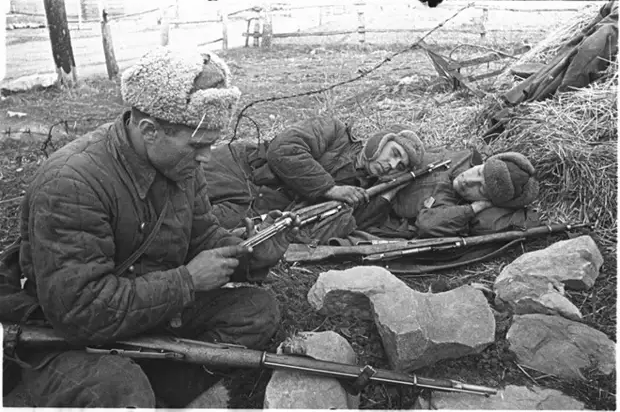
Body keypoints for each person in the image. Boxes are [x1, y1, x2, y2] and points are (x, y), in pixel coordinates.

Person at [5, 46, 299, 408]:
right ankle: (146, 387)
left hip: (151, 316)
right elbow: (78, 313)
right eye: (198, 145)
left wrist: (251, 253)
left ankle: (160, 385)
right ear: (149, 130)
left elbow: (203, 237)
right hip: (67, 338)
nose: (207, 157)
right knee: (119, 388)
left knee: (256, 310)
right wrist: (187, 281)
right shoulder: (72, 183)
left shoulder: (181, 165)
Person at [203, 115, 425, 243]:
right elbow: (284, 149)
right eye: (395, 153)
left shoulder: (363, 188)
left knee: (201, 230)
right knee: (181, 197)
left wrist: (390, 190)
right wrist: (329, 189)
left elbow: (355, 222)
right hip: (236, 167)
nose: (392, 165)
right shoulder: (334, 131)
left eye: (400, 166)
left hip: (255, 205)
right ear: (382, 140)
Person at [365, 148, 541, 240]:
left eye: (480, 189)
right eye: (479, 173)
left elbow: (427, 225)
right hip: (370, 168)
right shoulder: (463, 157)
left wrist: (472, 209)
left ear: (487, 201)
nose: (468, 181)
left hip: (373, 206)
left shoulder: (454, 208)